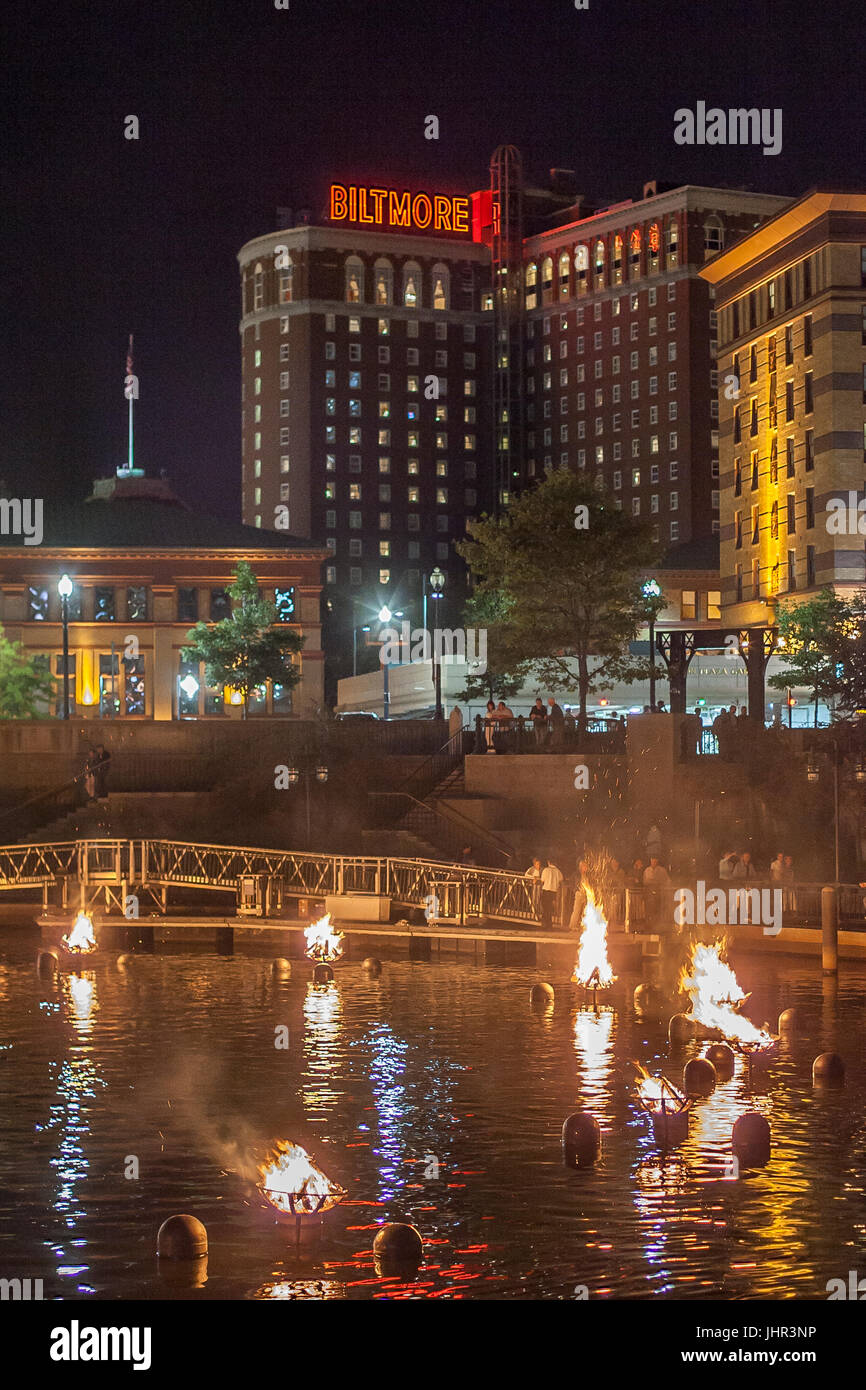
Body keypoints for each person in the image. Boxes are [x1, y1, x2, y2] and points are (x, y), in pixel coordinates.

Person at [642, 856, 671, 930]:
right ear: (650, 860)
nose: (654, 861)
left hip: (659, 894)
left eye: (655, 860)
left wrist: (661, 884)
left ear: (657, 861)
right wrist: (652, 882)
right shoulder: (647, 870)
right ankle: (649, 926)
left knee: (658, 910)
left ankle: (658, 927)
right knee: (649, 910)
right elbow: (645, 882)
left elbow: (667, 881)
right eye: (652, 860)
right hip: (649, 894)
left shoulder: (662, 870)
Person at [568, 859, 592, 931]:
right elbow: (571, 883)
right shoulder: (576, 874)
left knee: (586, 911)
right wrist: (575, 890)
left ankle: (584, 926)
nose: (586, 867)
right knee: (576, 910)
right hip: (579, 893)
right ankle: (572, 926)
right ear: (581, 866)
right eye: (585, 866)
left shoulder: (588, 875)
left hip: (587, 894)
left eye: (586, 866)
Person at [540, 857, 563, 930]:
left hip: (546, 890)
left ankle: (546, 924)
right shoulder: (558, 871)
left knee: (545, 908)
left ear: (549, 862)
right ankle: (548, 924)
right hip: (553, 892)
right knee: (549, 908)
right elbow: (561, 880)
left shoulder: (546, 870)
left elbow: (542, 880)